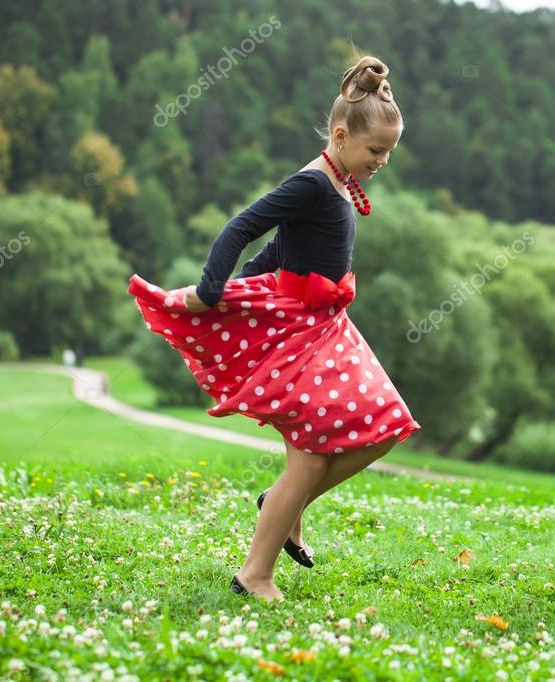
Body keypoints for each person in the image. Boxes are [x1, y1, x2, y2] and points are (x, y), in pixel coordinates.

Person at [127, 55, 420, 602]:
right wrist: (216, 291)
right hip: (304, 331)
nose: (382, 161)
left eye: (388, 152)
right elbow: (242, 226)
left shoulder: (338, 181)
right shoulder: (311, 184)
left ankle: (283, 502)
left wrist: (252, 287)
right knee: (310, 455)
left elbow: (283, 247)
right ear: (340, 135)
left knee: (384, 428)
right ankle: (255, 573)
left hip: (327, 326)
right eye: (376, 151)